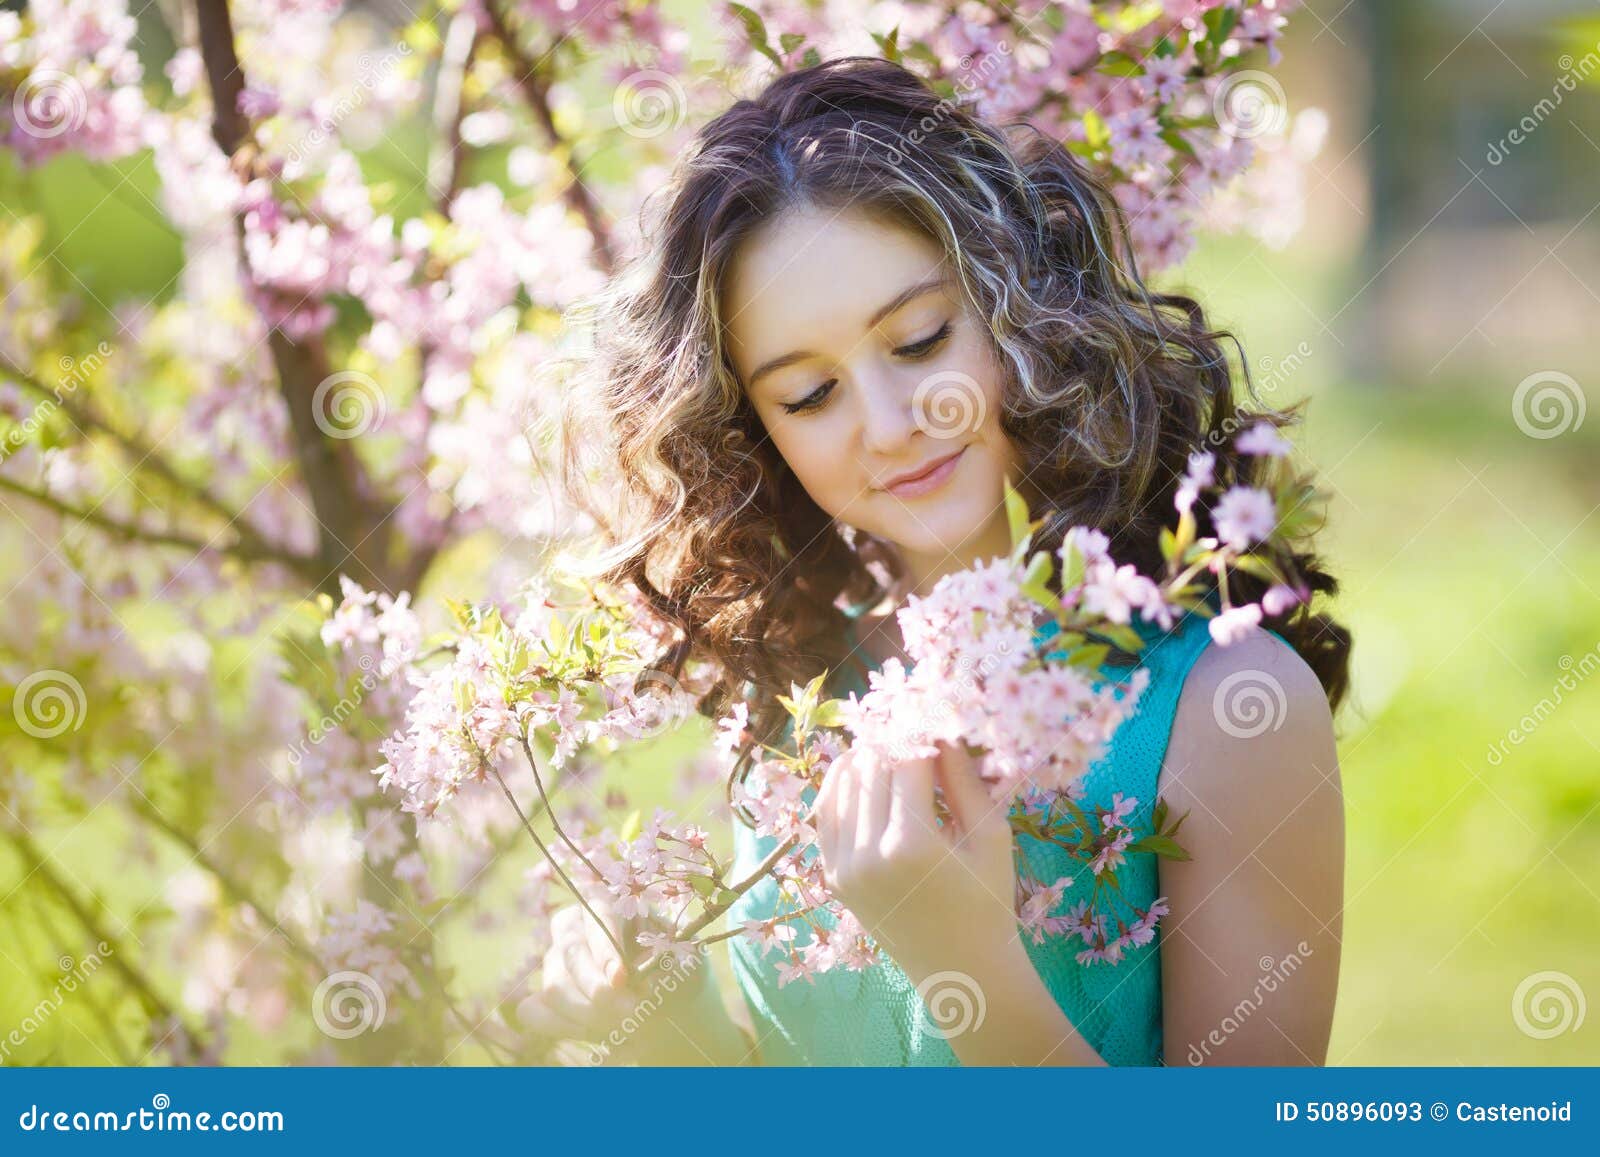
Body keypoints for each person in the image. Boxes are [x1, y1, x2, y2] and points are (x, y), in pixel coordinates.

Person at [535, 55, 1350, 1066]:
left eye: (919, 339)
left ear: (1022, 307)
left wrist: (965, 961)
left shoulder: (1231, 709)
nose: (888, 425)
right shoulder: (798, 709)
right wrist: (667, 1024)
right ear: (753, 434)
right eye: (808, 394)